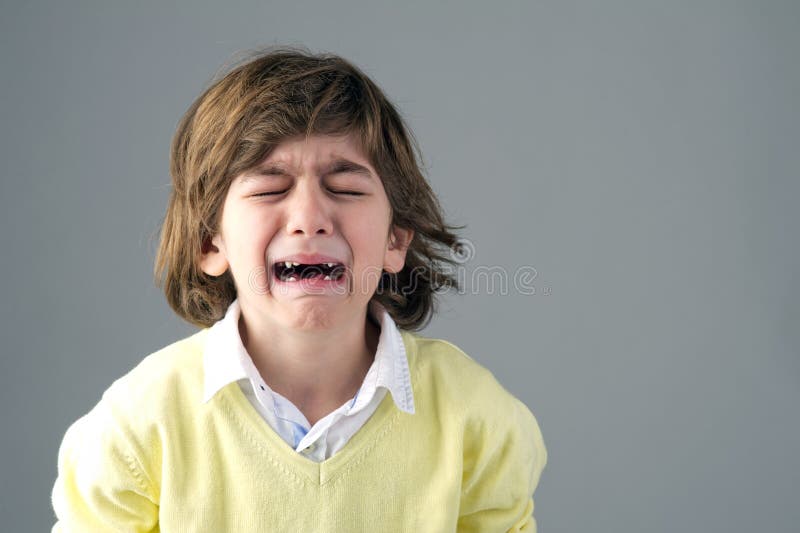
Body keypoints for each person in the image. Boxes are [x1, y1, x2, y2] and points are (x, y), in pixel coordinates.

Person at [51, 46, 547, 532]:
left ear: (396, 239)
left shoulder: (476, 419)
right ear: (209, 242)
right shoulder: (137, 426)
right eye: (269, 189)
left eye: (347, 189)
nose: (309, 220)